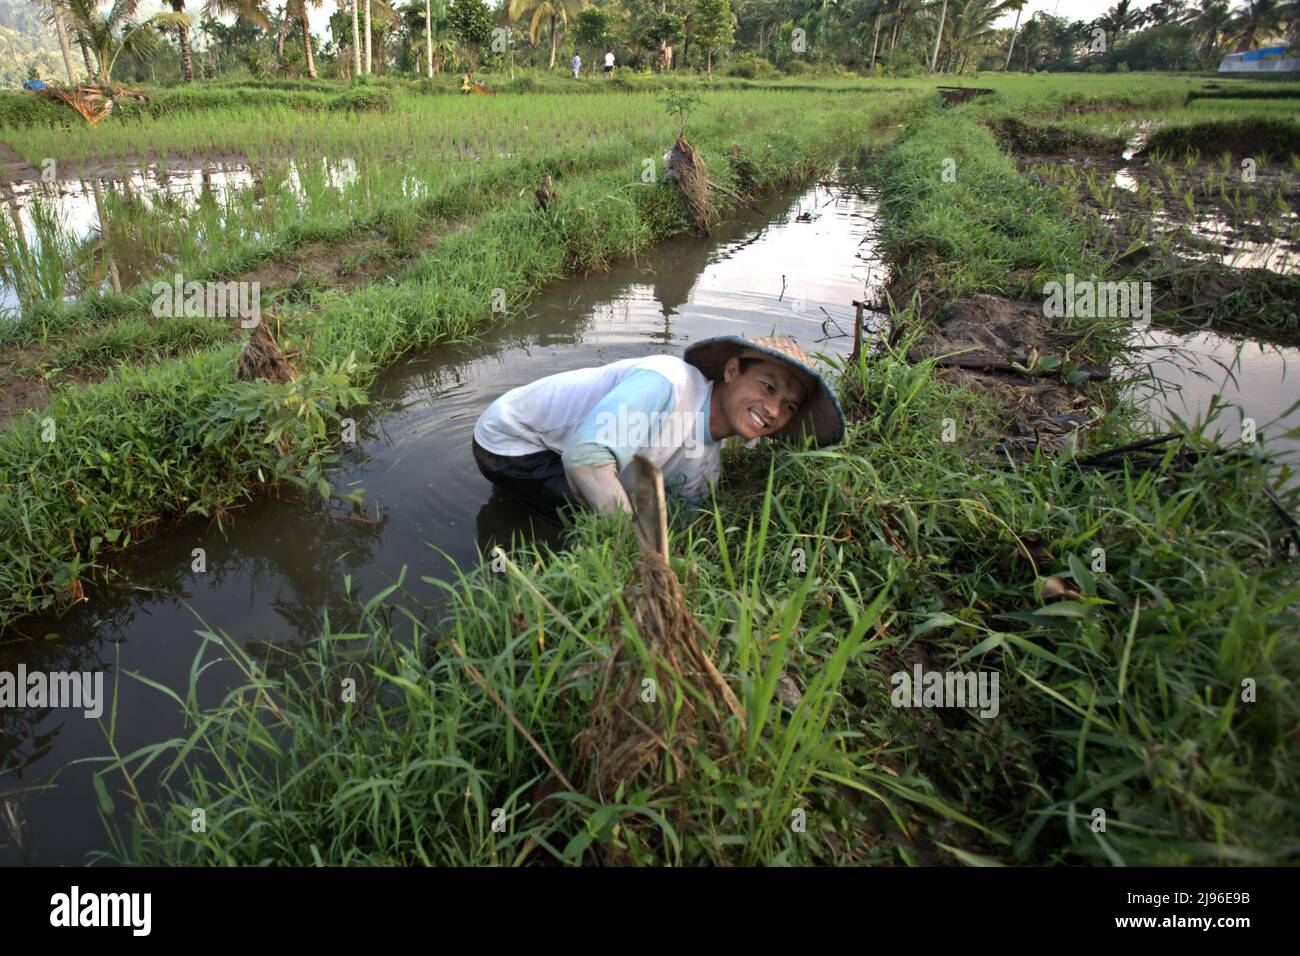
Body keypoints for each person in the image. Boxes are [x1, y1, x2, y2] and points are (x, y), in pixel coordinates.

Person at [472, 335, 845, 522]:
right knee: (596, 511)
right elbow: (584, 459)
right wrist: (637, 550)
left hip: (564, 448)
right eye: (768, 387)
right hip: (514, 441)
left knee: (645, 506)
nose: (773, 409)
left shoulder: (707, 469)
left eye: (789, 406)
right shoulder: (668, 381)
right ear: (732, 371)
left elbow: (682, 516)